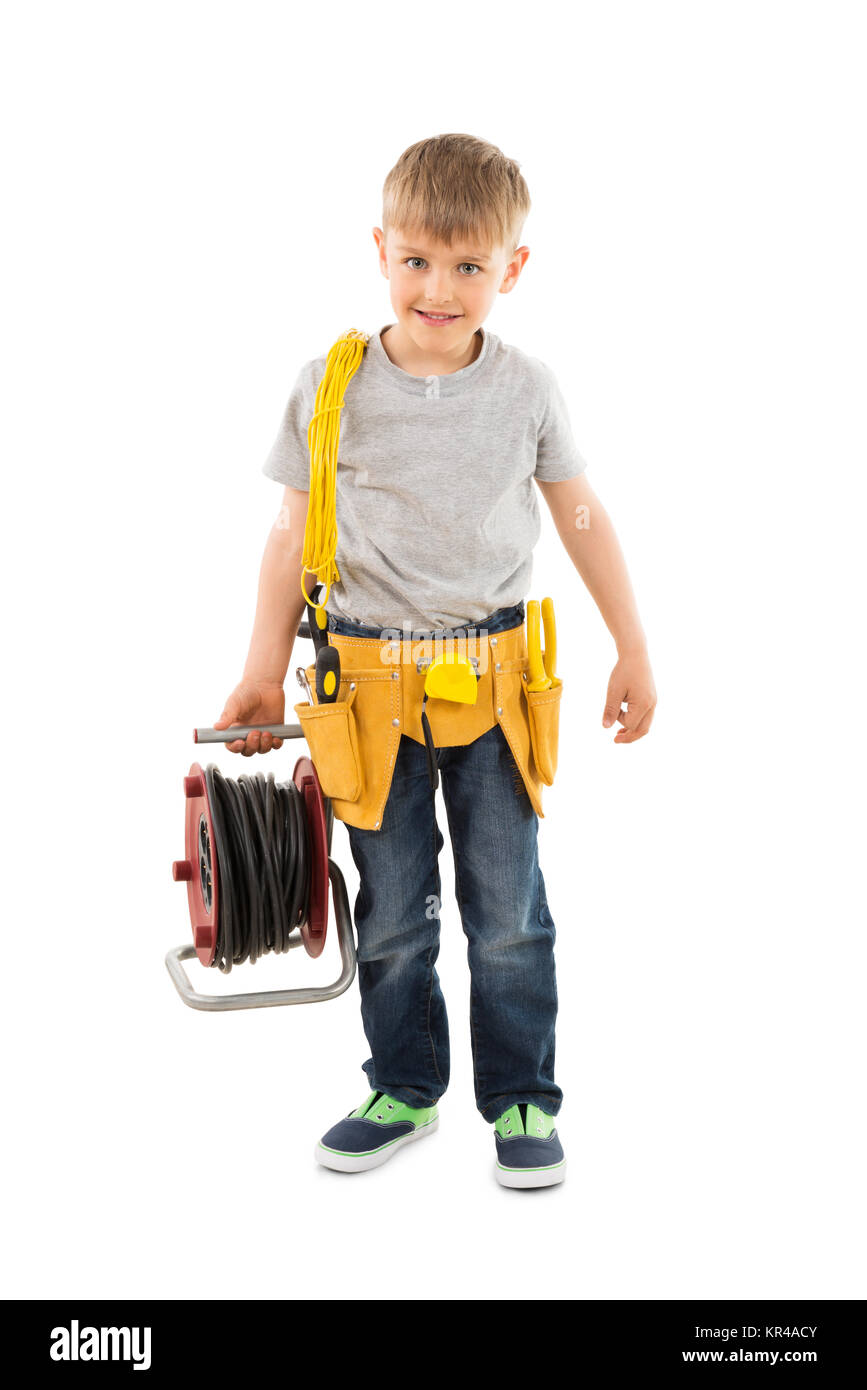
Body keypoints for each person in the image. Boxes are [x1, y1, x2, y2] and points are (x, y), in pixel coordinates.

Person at [214, 133, 657, 1188]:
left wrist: (633, 644)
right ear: (380, 250)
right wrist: (261, 666)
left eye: (468, 266)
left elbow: (585, 518)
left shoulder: (529, 390)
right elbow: (289, 534)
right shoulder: (330, 384)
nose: (439, 288)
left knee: (508, 910)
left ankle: (520, 1101)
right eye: (416, 260)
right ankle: (406, 1086)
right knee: (394, 909)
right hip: (362, 696)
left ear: (513, 267)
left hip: (496, 691)